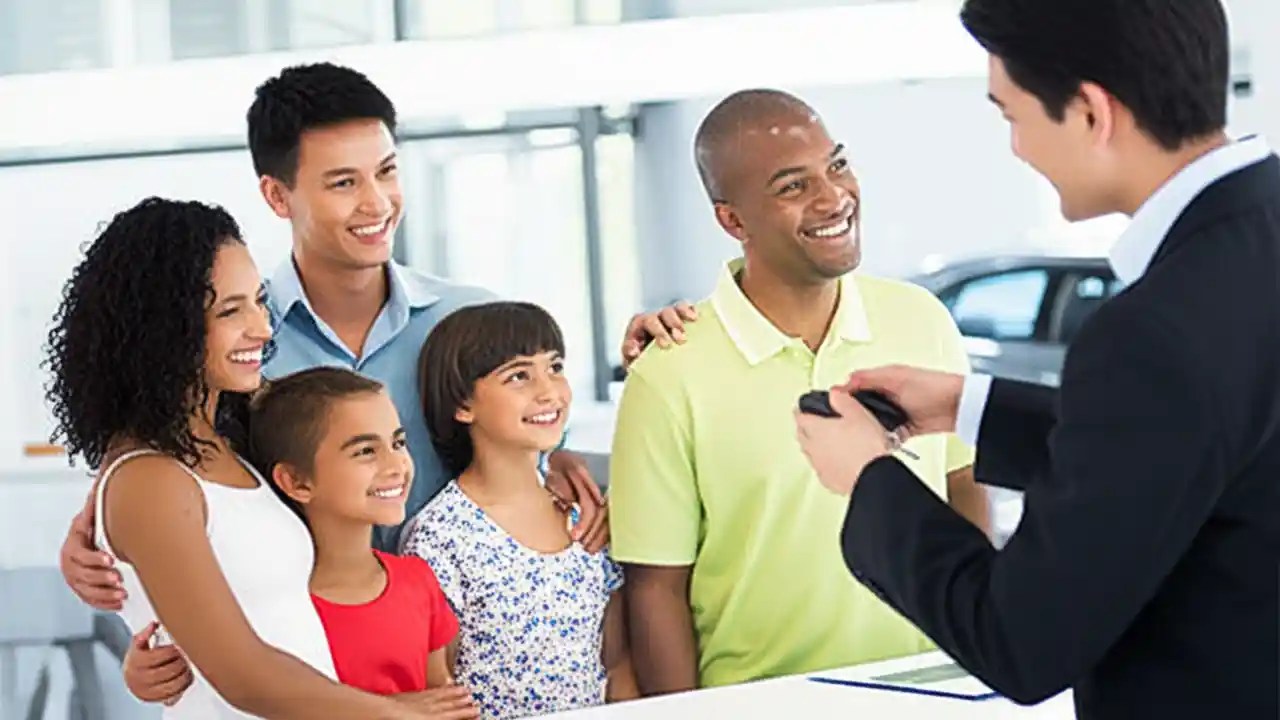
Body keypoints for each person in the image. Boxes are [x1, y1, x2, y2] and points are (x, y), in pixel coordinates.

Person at [58, 62, 693, 617]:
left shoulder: (471, 319)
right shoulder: (235, 347)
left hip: (476, 649)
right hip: (319, 652)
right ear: (277, 195)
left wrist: (566, 462)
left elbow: (539, 446)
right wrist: (93, 544)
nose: (377, 203)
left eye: (386, 172)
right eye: (343, 183)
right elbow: (171, 475)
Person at [794, 1, 1280, 718]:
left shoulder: (1149, 332)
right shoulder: (1254, 241)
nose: (1016, 148)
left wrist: (870, 479)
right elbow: (1208, 441)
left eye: (1011, 115)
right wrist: (971, 409)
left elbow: (1019, 642)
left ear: (1091, 112)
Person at [607, 89, 991, 695]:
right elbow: (656, 588)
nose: (833, 196)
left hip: (933, 687)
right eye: (792, 186)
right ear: (732, 220)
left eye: (837, 165)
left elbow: (965, 486)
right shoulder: (668, 372)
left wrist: (979, 645)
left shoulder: (922, 319)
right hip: (760, 700)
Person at [45, 197, 445, 719]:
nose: (261, 328)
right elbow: (244, 675)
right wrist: (400, 716)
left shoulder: (231, 436)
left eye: (258, 301)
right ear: (164, 327)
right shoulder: (150, 479)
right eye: (231, 311)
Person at [125, 367, 481, 717]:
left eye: (398, 443)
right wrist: (145, 670)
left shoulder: (417, 580)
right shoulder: (271, 604)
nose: (396, 464)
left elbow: (442, 703)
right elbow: (221, 669)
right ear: (296, 482)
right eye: (365, 452)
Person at [399, 302, 638, 719]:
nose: (549, 391)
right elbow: (437, 691)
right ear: (462, 405)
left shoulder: (585, 516)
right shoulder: (440, 537)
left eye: (555, 367)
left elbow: (616, 665)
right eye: (519, 376)